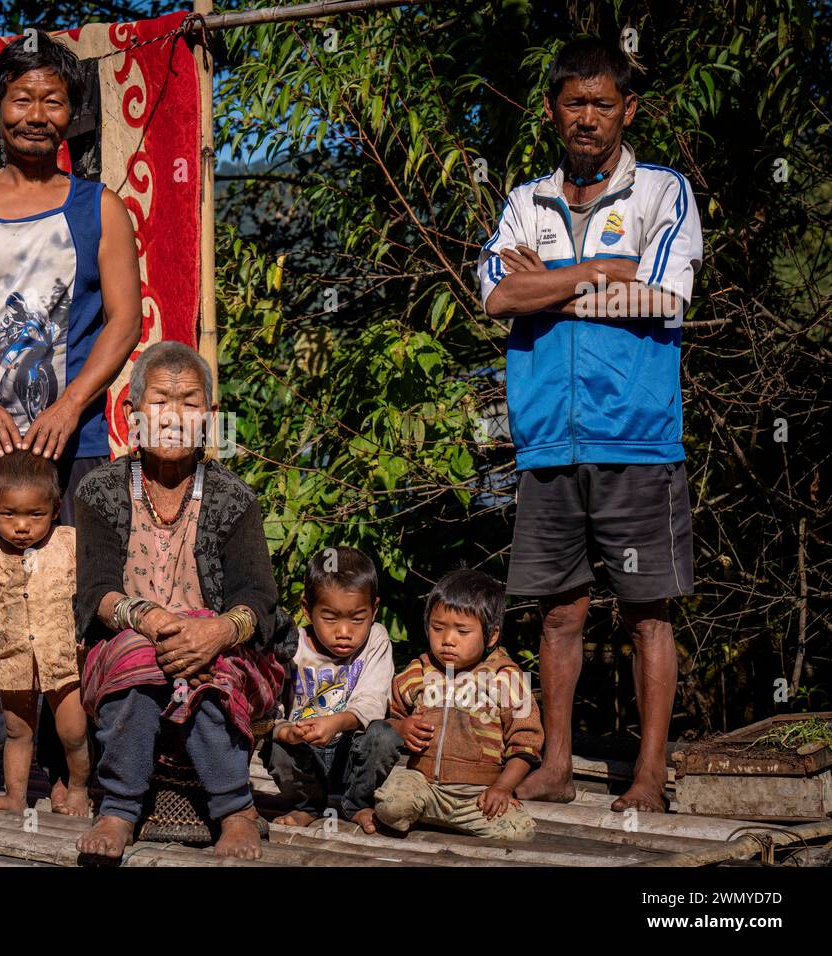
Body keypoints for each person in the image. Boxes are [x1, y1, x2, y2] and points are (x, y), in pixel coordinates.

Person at [0, 30, 141, 803]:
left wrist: (73, 404)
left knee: (77, 608)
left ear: (72, 113)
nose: (37, 113)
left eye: (53, 99)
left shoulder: (98, 208)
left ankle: (81, 770)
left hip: (74, 449)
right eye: (22, 97)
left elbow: (124, 319)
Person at [477, 37, 703, 812]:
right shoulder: (523, 200)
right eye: (574, 102)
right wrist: (602, 274)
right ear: (552, 111)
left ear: (626, 110)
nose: (588, 118)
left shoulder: (663, 194)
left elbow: (666, 298)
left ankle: (647, 776)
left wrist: (550, 288)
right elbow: (496, 299)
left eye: (603, 104)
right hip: (547, 436)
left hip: (637, 434)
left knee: (647, 612)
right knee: (560, 610)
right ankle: (558, 766)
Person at [71, 341, 292, 862]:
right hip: (134, 648)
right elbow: (95, 591)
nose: (173, 416)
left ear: (211, 418)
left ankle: (234, 809)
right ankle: (120, 808)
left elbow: (257, 598)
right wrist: (149, 620)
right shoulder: (99, 491)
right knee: (138, 656)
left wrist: (212, 632)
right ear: (132, 413)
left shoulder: (234, 498)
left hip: (219, 648)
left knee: (208, 666)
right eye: (160, 400)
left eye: (190, 402)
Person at [0, 452, 91, 817]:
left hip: (64, 659)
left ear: (55, 508)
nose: (22, 526)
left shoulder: (69, 544)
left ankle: (78, 789)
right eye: (10, 514)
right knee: (18, 733)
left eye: (35, 515)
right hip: (14, 660)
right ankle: (15, 796)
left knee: (73, 732)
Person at [374, 569, 543, 841]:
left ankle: (440, 819)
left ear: (491, 636)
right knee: (391, 805)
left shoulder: (509, 679)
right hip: (423, 785)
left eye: (462, 631)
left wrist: (503, 787)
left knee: (519, 833)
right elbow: (386, 719)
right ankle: (423, 811)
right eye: (437, 628)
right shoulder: (418, 671)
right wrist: (400, 727)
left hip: (478, 797)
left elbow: (526, 745)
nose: (448, 639)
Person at [261, 546, 401, 834]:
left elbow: (372, 701)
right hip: (305, 756)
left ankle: (357, 802)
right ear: (306, 609)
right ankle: (307, 806)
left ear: (374, 609)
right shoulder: (291, 646)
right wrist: (286, 731)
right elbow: (269, 704)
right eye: (331, 618)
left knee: (384, 735)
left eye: (357, 618)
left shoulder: (376, 640)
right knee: (275, 746)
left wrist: (337, 722)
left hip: (351, 755)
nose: (344, 632)